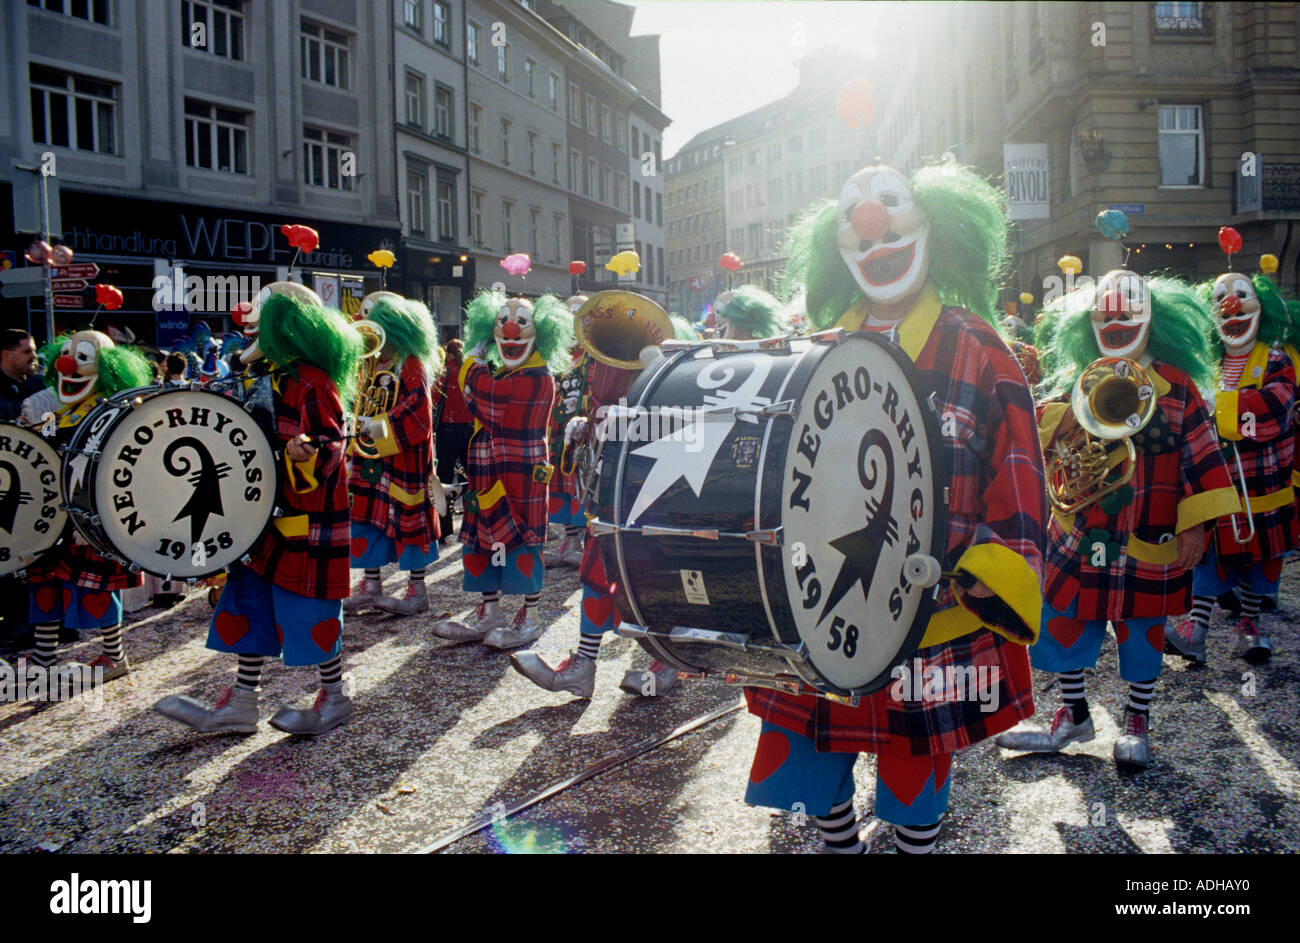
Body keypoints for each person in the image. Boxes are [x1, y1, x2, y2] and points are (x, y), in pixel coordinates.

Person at [741, 162, 1047, 854]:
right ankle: (841, 847)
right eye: (854, 212)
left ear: (935, 224)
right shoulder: (810, 348)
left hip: (928, 617)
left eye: (887, 204)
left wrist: (996, 569)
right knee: (815, 765)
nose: (871, 223)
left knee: (915, 783)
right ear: (838, 247)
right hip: (822, 613)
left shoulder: (978, 347)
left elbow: (1021, 472)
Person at [997, 271, 1239, 768]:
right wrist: (1058, 416)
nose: (1116, 323)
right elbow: (1038, 439)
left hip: (1148, 534)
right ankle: (1073, 714)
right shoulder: (1079, 376)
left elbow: (1203, 454)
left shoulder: (1177, 386)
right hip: (1083, 534)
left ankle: (1136, 720)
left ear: (1152, 319)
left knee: (1143, 632)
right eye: (1105, 317)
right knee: (1063, 620)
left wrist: (1198, 523)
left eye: (1127, 315)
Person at [154, 284, 364, 735]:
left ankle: (335, 698)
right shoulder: (261, 375)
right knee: (251, 602)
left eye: (260, 313)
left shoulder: (313, 381)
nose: (245, 317)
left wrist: (307, 454)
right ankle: (242, 702)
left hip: (306, 520)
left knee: (307, 608)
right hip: (262, 517)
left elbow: (333, 444)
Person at [1165, 266, 1296, 665]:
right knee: (1210, 557)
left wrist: (1219, 405)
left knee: (1258, 560)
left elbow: (1275, 408)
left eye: (1241, 296)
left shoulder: (1275, 361)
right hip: (1218, 483)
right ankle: (1197, 632)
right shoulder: (1207, 363)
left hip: (1262, 488)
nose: (1230, 306)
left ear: (1261, 307)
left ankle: (1251, 627)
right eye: (1221, 302)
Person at [431, 291, 571, 651]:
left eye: (522, 324)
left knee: (523, 540)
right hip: (487, 474)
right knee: (483, 539)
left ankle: (531, 616)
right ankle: (489, 612)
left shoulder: (538, 377)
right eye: (503, 326)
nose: (510, 331)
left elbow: (490, 400)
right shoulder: (504, 372)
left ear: (539, 332)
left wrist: (472, 363)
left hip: (519, 475)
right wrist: (479, 367)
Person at [23, 330, 153, 693]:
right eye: (65, 355)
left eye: (81, 356)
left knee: (96, 585)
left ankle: (114, 656)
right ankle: (44, 657)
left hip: (89, 517)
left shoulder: (115, 409)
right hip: (50, 514)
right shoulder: (51, 409)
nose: (68, 364)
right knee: (44, 582)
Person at [345, 294, 443, 616]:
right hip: (369, 459)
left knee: (410, 523)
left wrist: (376, 428)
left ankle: (417, 590)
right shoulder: (368, 363)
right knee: (365, 520)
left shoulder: (411, 364)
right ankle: (370, 584)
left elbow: (418, 416)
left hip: (404, 460)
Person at [431, 337, 474, 543]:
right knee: (471, 479)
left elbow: (434, 397)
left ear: (447, 353)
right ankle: (472, 525)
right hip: (468, 430)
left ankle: (445, 530)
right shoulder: (469, 371)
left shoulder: (443, 372)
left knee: (445, 481)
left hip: (447, 431)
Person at [0, 328, 44, 422]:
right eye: (27, 351)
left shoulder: (42, 384)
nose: (34, 356)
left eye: (34, 351)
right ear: (7, 355)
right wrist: (13, 426)